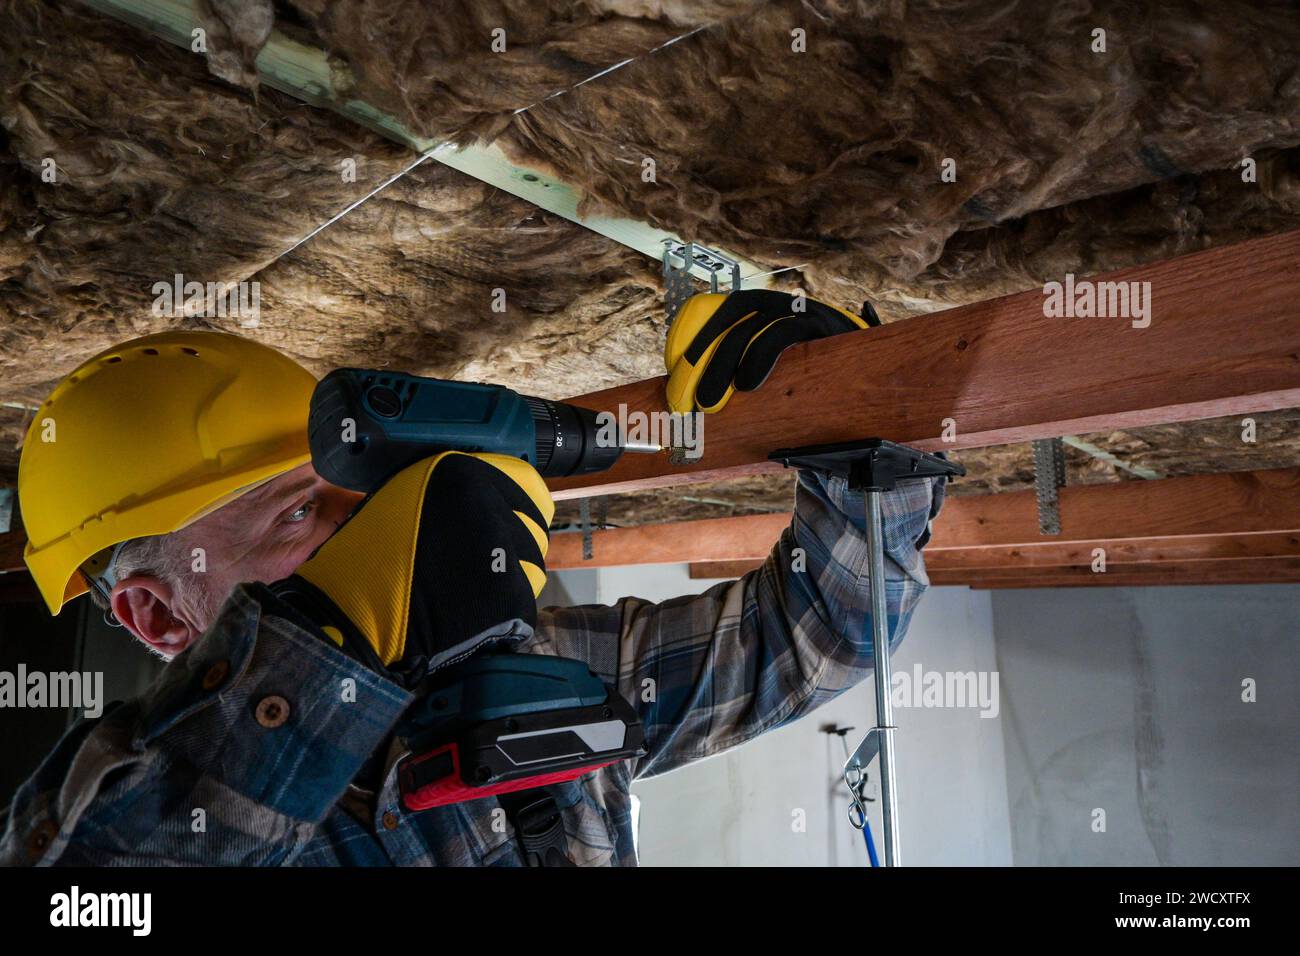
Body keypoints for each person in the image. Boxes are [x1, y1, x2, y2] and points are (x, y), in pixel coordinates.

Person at [1, 321, 944, 866]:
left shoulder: (532, 673)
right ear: (160, 614)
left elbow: (817, 638)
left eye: (359, 488)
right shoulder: (114, 803)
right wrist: (331, 644)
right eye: (297, 515)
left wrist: (855, 423)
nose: (374, 524)